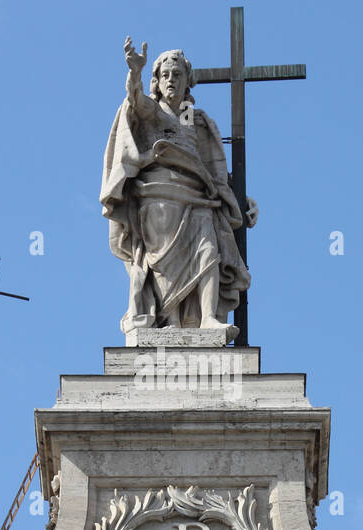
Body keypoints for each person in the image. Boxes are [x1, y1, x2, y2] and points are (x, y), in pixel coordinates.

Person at [101, 39, 258, 338]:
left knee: (209, 251)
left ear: (188, 81)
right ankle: (169, 322)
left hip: (199, 197)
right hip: (159, 195)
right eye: (166, 75)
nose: (171, 79)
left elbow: (207, 164)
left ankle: (208, 318)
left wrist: (239, 198)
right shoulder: (151, 111)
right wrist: (135, 72)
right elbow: (134, 99)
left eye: (178, 74)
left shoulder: (192, 118)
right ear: (157, 82)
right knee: (164, 262)